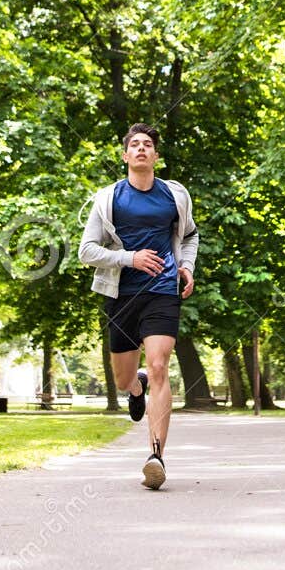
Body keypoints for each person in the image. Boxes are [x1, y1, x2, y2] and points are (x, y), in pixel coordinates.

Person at [78, 123, 199, 490]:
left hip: (163, 291)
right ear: (126, 155)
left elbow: (190, 234)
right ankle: (135, 389)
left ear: (156, 156)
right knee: (123, 378)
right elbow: (87, 251)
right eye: (135, 145)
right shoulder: (108, 199)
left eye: (148, 144)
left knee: (160, 365)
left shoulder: (174, 196)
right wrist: (130, 258)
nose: (142, 149)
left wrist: (187, 267)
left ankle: (156, 456)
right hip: (121, 295)